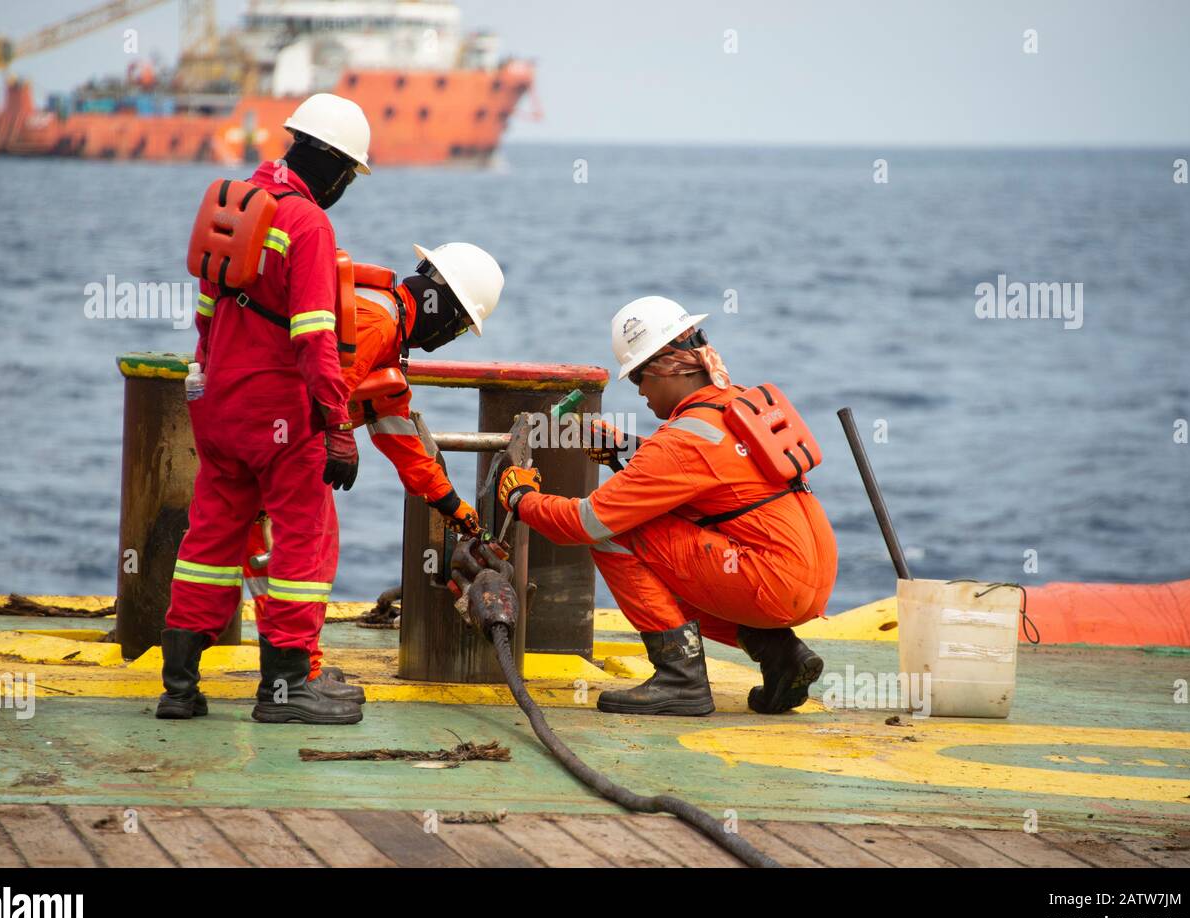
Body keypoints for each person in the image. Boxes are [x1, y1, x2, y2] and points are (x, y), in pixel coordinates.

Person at [497, 296, 838, 716]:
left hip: (773, 585)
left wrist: (520, 496)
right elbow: (709, 480)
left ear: (666, 368)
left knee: (619, 532)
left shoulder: (680, 442)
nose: (639, 390)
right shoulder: (734, 403)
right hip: (813, 579)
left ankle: (680, 679)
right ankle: (780, 652)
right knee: (667, 546)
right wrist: (627, 450)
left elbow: (587, 523)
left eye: (639, 376)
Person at [157, 93, 372, 724]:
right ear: (331, 164)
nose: (343, 190)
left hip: (218, 404)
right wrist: (337, 425)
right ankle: (284, 691)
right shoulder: (307, 224)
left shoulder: (232, 201)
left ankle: (179, 688)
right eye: (347, 176)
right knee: (304, 542)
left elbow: (203, 317)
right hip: (280, 413)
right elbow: (313, 337)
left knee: (211, 537)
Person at [340, 242, 503, 530]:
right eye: (460, 326)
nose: (453, 335)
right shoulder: (377, 324)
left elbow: (400, 438)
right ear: (441, 306)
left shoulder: (390, 342)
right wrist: (339, 437)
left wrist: (450, 502)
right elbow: (315, 392)